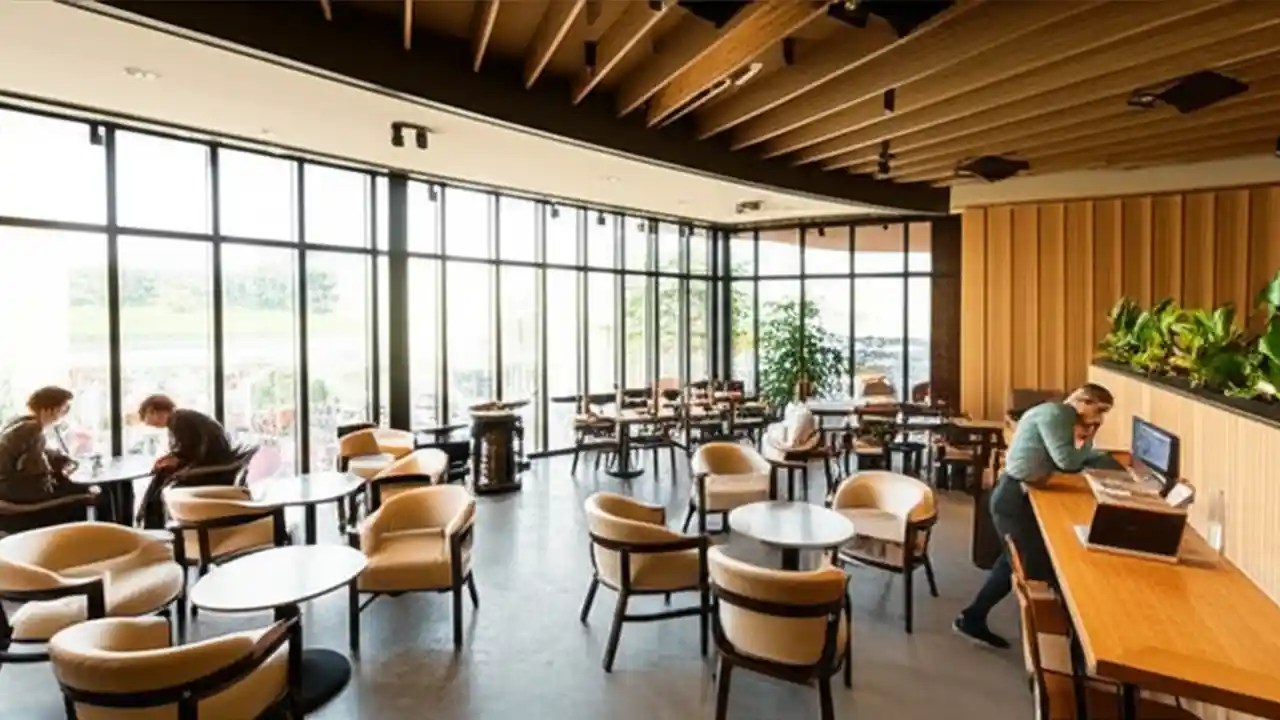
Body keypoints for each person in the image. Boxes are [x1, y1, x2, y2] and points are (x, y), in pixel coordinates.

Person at [953, 383, 1122, 649]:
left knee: (1019, 559)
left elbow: (1076, 457)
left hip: (1019, 493)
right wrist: (1090, 436)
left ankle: (978, 617)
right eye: (1098, 410)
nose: (1099, 418)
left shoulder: (1057, 414)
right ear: (1083, 400)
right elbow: (1067, 461)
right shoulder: (1059, 415)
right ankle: (984, 621)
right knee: (1024, 563)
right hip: (1011, 497)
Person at [134, 394, 241, 528]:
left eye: (146, 418)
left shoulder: (180, 420)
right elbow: (186, 448)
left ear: (153, 411)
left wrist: (173, 460)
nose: (148, 424)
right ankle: (148, 519)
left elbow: (188, 451)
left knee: (162, 477)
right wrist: (170, 458)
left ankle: (149, 522)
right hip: (215, 462)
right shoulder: (180, 418)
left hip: (212, 466)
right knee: (161, 474)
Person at [0, 386, 96, 532]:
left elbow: (37, 454)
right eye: (64, 408)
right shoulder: (32, 429)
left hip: (8, 489)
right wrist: (58, 474)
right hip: (16, 493)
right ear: (49, 409)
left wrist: (61, 460)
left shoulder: (22, 423)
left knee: (78, 487)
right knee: (93, 494)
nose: (64, 413)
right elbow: (35, 470)